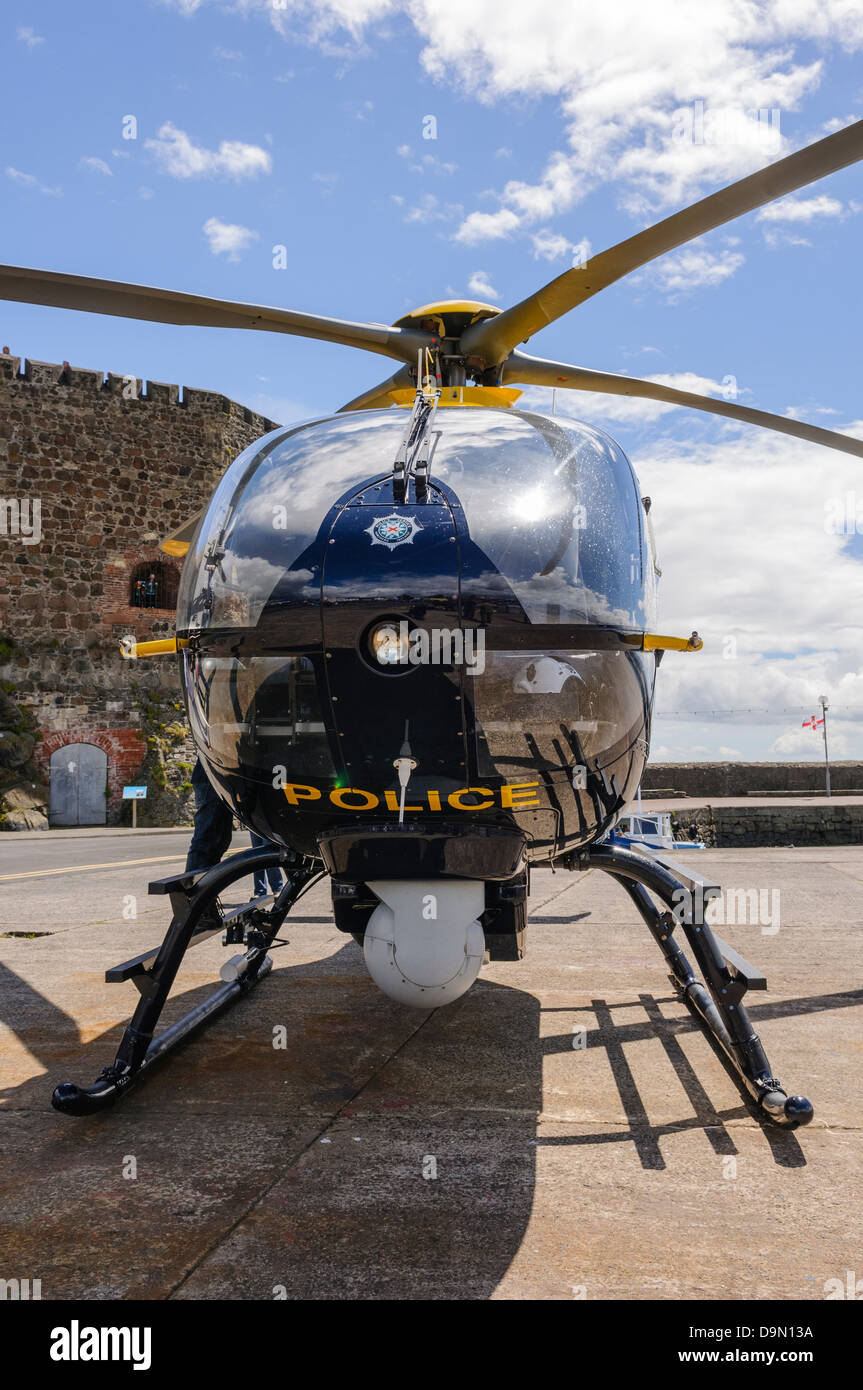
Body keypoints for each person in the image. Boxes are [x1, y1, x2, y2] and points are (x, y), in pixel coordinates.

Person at [185, 757, 233, 873]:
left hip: (216, 777)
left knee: (220, 840)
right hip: (211, 778)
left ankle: (200, 885)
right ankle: (194, 887)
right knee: (207, 841)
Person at [250, 830, 285, 899]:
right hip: (252, 822)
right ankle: (260, 891)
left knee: (268, 853)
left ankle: (277, 888)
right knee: (257, 857)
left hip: (264, 822)